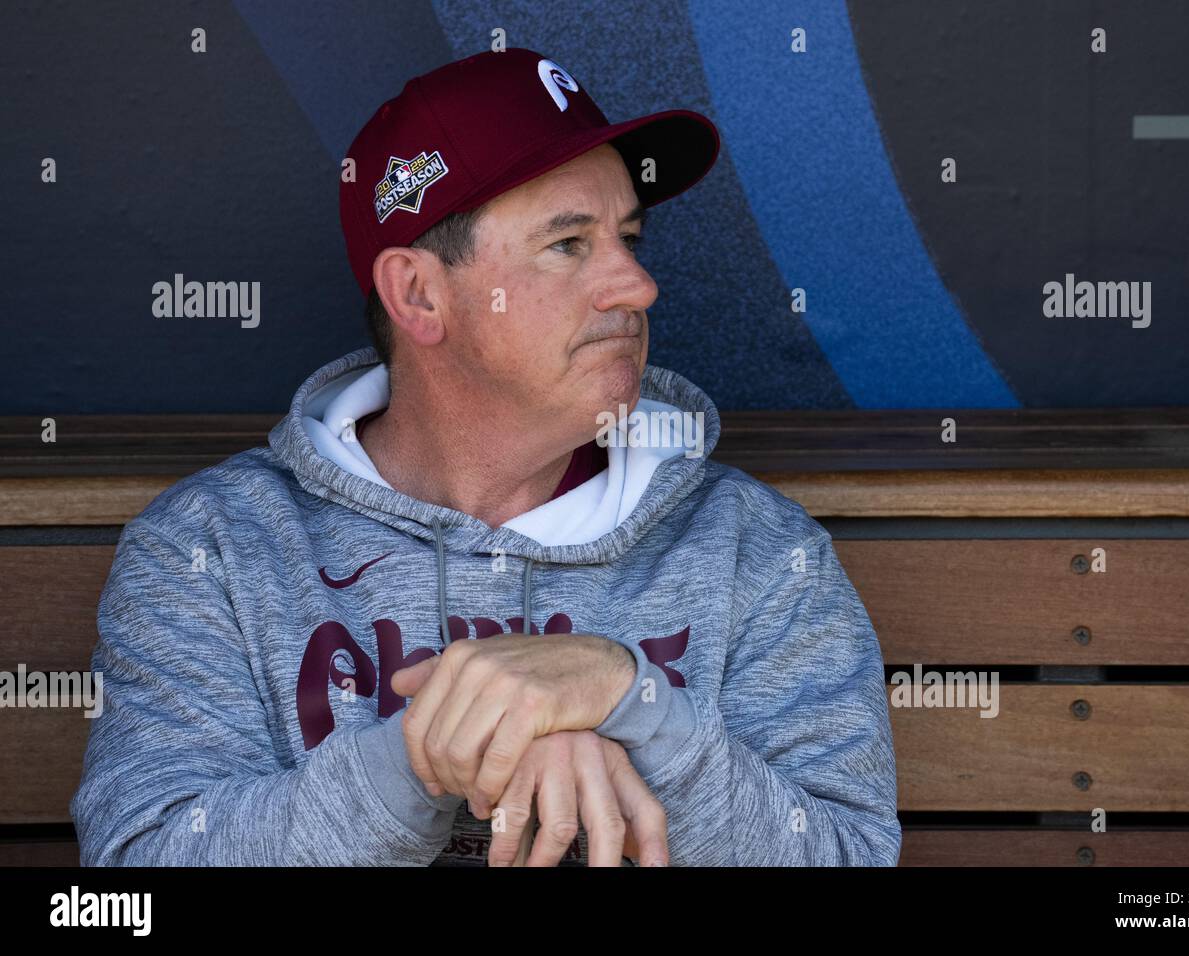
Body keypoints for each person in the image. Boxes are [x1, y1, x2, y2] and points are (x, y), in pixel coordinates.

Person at [71, 47, 901, 867]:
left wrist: (628, 699)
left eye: (629, 238)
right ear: (419, 295)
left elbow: (847, 857)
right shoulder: (212, 550)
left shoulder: (754, 548)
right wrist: (432, 755)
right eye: (569, 244)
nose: (637, 286)